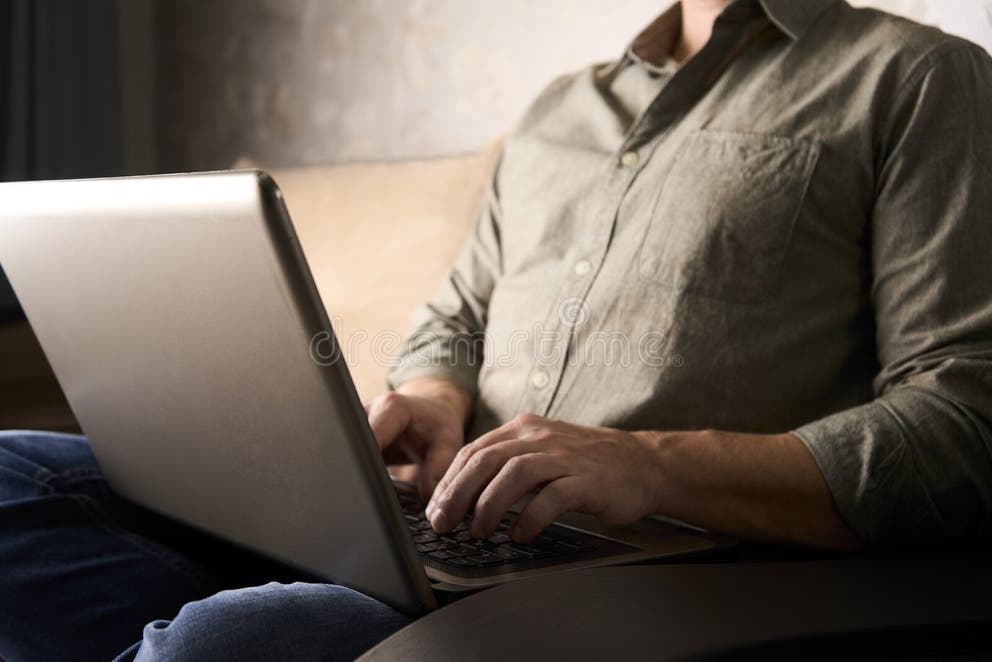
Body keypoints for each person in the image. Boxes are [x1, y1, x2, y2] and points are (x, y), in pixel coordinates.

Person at [2, 0, 991, 659]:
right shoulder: (562, 109)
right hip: (443, 524)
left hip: (667, 564)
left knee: (229, 639)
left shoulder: (917, 80)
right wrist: (431, 393)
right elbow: (456, 314)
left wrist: (649, 463)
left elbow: (963, 422)